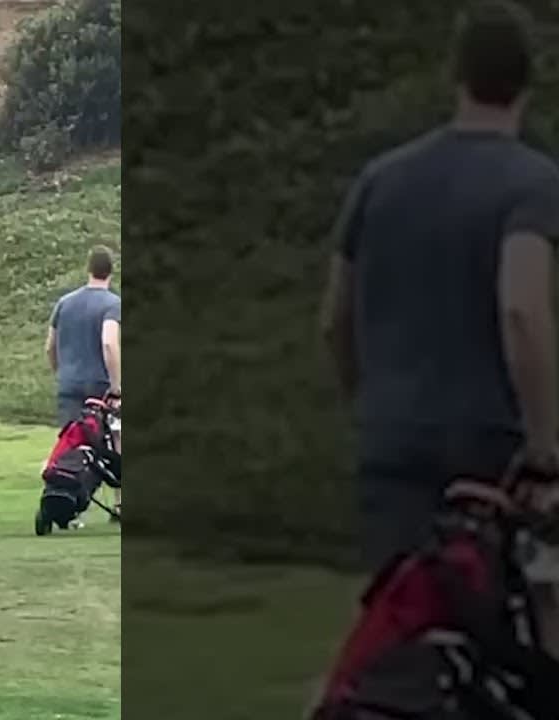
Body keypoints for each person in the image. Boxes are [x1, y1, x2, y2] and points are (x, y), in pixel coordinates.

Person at [317, 0, 559, 648]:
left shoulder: (380, 180)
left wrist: (368, 403)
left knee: (399, 629)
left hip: (392, 441)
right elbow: (522, 310)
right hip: (492, 454)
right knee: (506, 637)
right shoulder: (534, 185)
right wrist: (544, 448)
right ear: (528, 82)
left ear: (455, 75)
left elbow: (334, 316)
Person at [46, 245, 121, 520]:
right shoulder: (112, 304)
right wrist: (116, 386)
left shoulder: (64, 303)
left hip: (69, 384)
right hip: (100, 387)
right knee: (115, 438)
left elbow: (50, 346)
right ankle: (119, 504)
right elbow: (109, 343)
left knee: (71, 442)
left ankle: (67, 502)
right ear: (110, 272)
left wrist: (61, 372)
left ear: (88, 269)